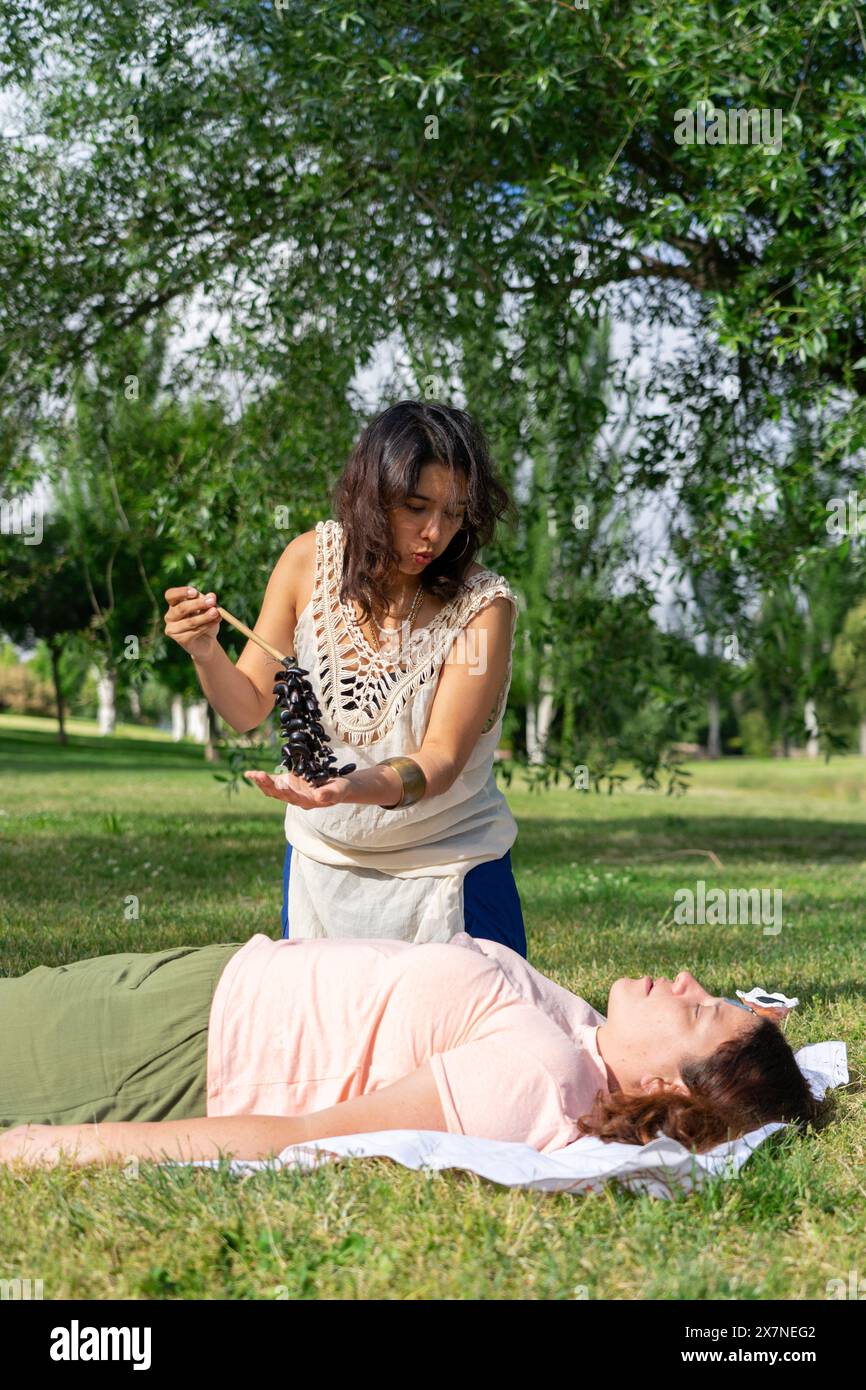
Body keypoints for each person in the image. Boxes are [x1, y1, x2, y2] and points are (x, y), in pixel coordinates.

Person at [163, 400, 527, 954]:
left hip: (451, 867)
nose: (434, 533)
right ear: (372, 493)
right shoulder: (308, 561)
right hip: (322, 864)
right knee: (324, 1040)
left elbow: (441, 761)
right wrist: (205, 650)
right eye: (416, 506)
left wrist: (348, 788)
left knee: (478, 1039)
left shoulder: (483, 607)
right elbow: (247, 707)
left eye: (454, 513)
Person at [0, 934, 824, 1168]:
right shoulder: (578, 1033)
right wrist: (761, 1054)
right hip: (196, 988)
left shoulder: (538, 1076)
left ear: (665, 1089)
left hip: (162, 1056)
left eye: (698, 1009)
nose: (684, 979)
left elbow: (301, 1140)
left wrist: (48, 1150)